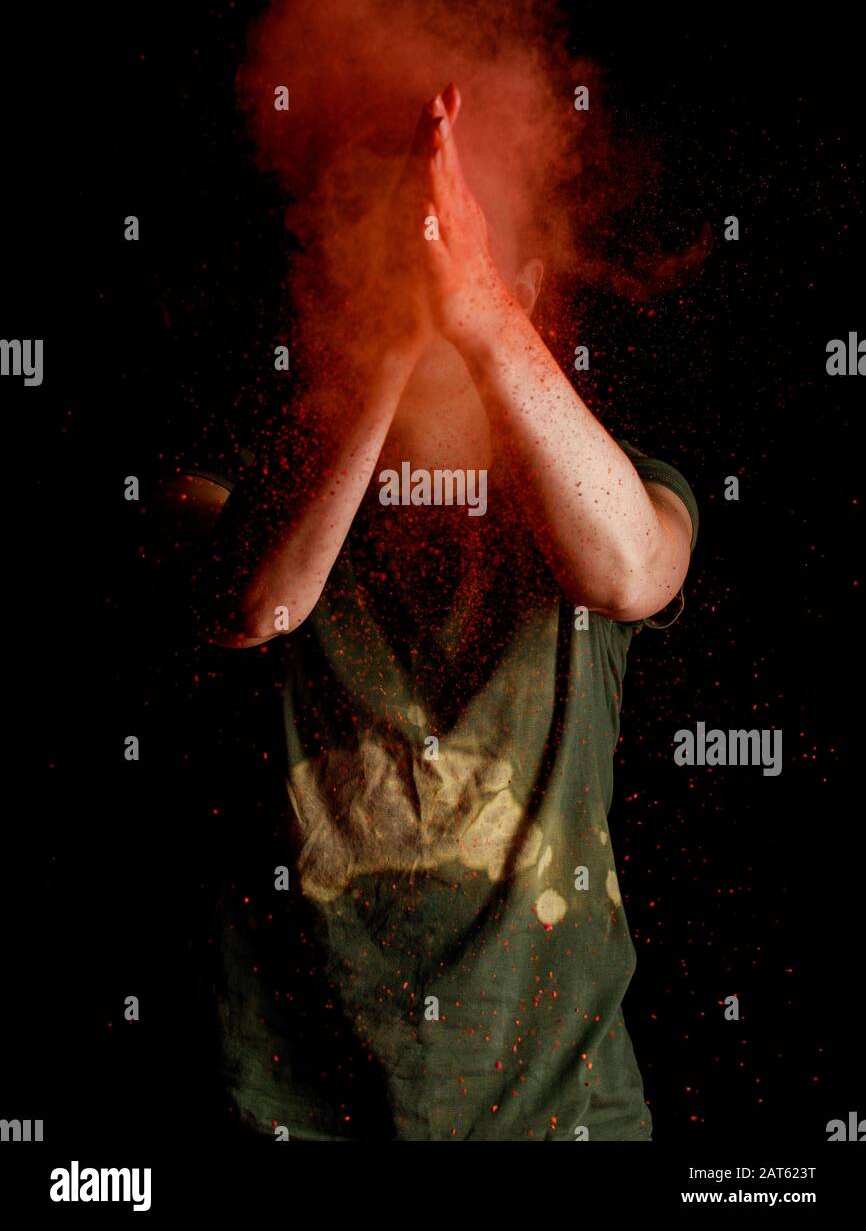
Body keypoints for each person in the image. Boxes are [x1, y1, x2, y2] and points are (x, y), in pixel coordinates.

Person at [155, 82, 698, 1141]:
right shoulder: (220, 489)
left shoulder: (620, 480)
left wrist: (479, 315)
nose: (433, 269)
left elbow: (632, 572)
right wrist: (392, 337)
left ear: (523, 290)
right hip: (290, 1115)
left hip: (562, 1116)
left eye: (467, 250)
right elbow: (254, 604)